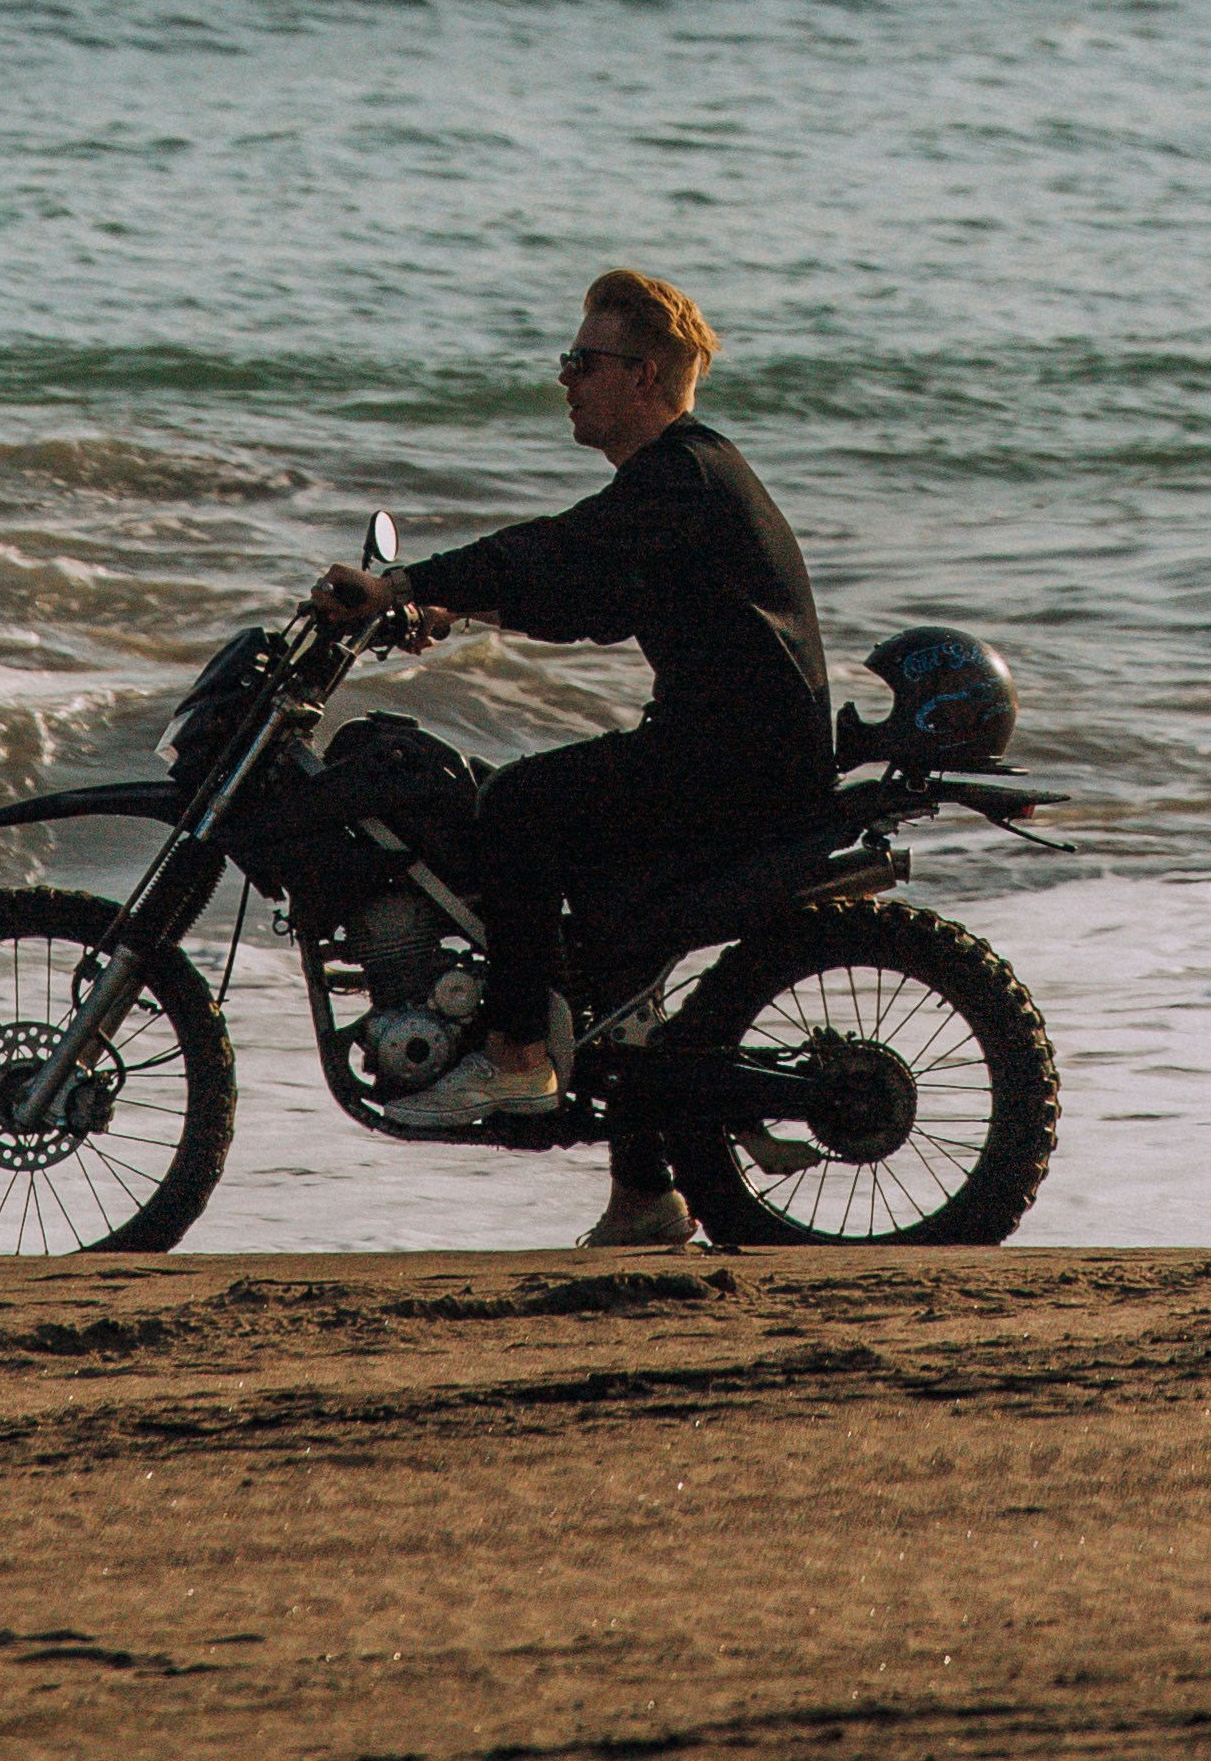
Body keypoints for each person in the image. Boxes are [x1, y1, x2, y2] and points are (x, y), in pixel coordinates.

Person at [313, 267, 832, 1248]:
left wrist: (404, 582)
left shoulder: (680, 475)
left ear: (642, 376)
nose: (565, 378)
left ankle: (516, 1060)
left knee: (514, 806)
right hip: (731, 754)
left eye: (581, 361)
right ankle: (645, 1196)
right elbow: (587, 599)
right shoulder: (677, 483)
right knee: (608, 947)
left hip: (733, 763)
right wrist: (442, 608)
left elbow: (559, 547)